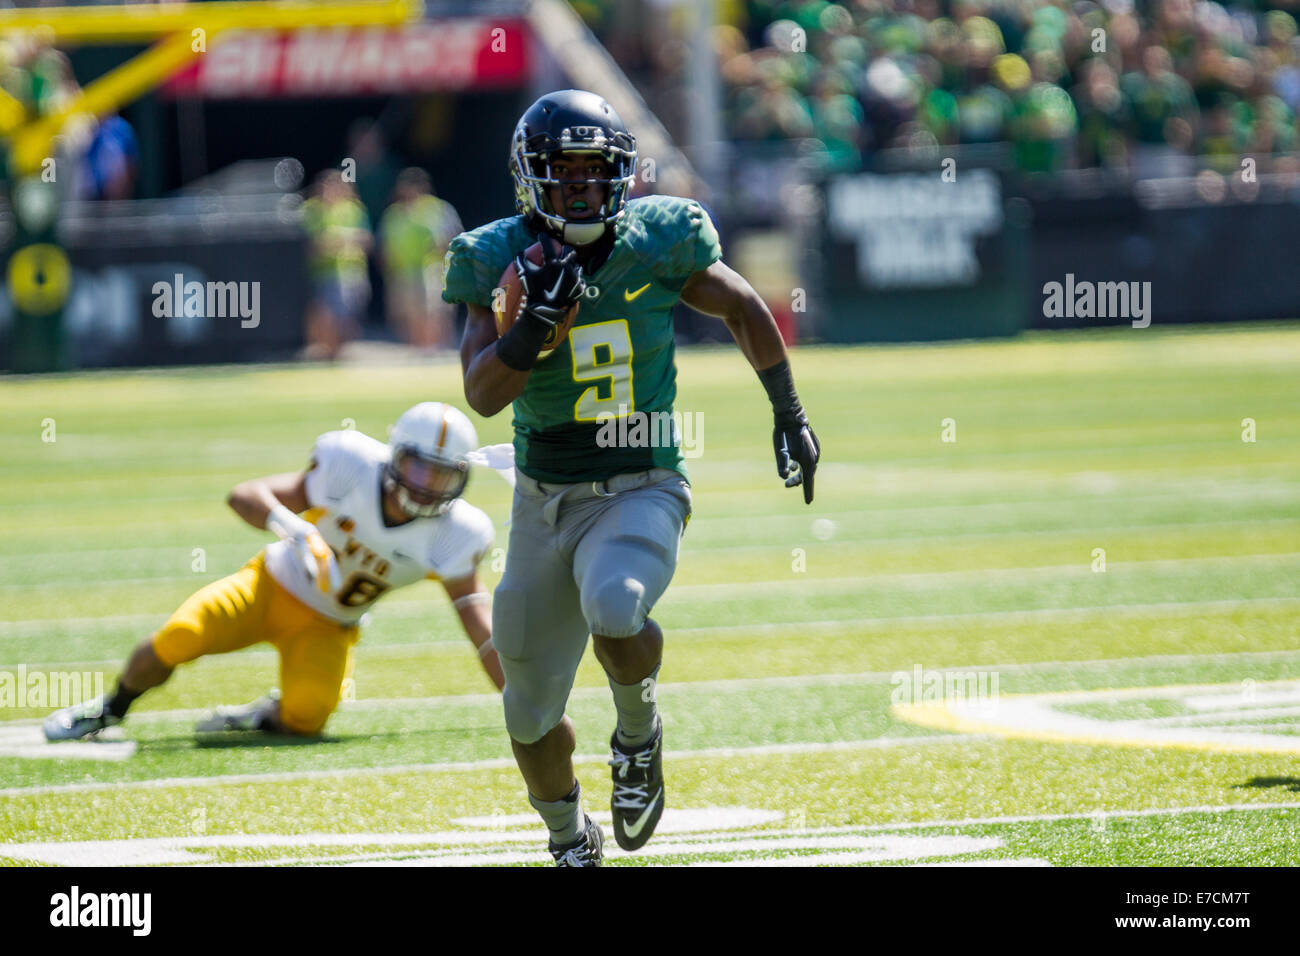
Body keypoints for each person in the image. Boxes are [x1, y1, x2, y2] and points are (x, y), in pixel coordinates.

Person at [445, 90, 821, 866]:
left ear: (621, 174)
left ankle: (638, 735)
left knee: (615, 605)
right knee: (526, 713)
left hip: (641, 479)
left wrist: (789, 411)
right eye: (565, 170)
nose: (582, 187)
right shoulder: (493, 256)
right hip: (542, 500)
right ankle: (568, 841)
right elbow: (482, 395)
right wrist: (530, 331)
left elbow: (745, 307)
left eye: (597, 170)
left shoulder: (656, 239)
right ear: (529, 176)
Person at [44, 403, 502, 741]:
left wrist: (522, 696)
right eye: (416, 467)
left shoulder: (454, 533)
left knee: (307, 717)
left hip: (329, 625)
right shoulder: (350, 467)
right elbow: (244, 495)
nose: (425, 486)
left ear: (461, 478)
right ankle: (108, 709)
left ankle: (261, 715)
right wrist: (293, 527)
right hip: (268, 586)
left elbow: (478, 626)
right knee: (179, 635)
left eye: (440, 475)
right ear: (393, 456)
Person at [379, 168, 463, 350]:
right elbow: (385, 243)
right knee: (406, 314)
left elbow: (454, 238)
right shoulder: (394, 213)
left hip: (432, 270)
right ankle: (416, 350)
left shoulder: (439, 209)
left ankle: (434, 349)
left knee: (433, 310)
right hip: (402, 272)